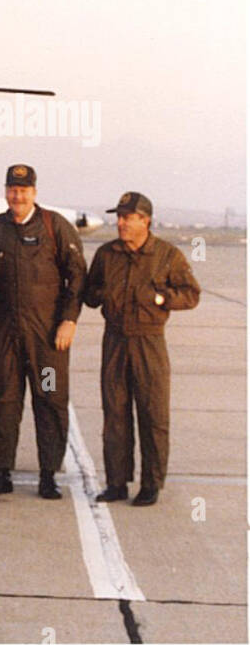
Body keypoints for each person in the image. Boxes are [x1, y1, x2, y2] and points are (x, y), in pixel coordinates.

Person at [83, 192, 200, 507]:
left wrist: (162, 299)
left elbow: (191, 294)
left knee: (153, 414)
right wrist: (101, 294)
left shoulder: (166, 254)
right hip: (115, 340)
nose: (120, 223)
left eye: (127, 217)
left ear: (145, 220)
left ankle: (151, 484)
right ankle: (117, 483)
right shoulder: (107, 255)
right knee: (115, 413)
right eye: (119, 217)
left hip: (149, 341)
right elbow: (89, 293)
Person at [0, 164, 86, 500]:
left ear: (34, 193)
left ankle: (48, 475)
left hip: (48, 340)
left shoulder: (56, 227)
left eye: (23, 190)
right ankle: (0, 473)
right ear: (5, 191)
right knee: (2, 401)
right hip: (6, 337)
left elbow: (77, 277)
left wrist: (69, 320)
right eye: (12, 189)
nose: (17, 195)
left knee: (50, 400)